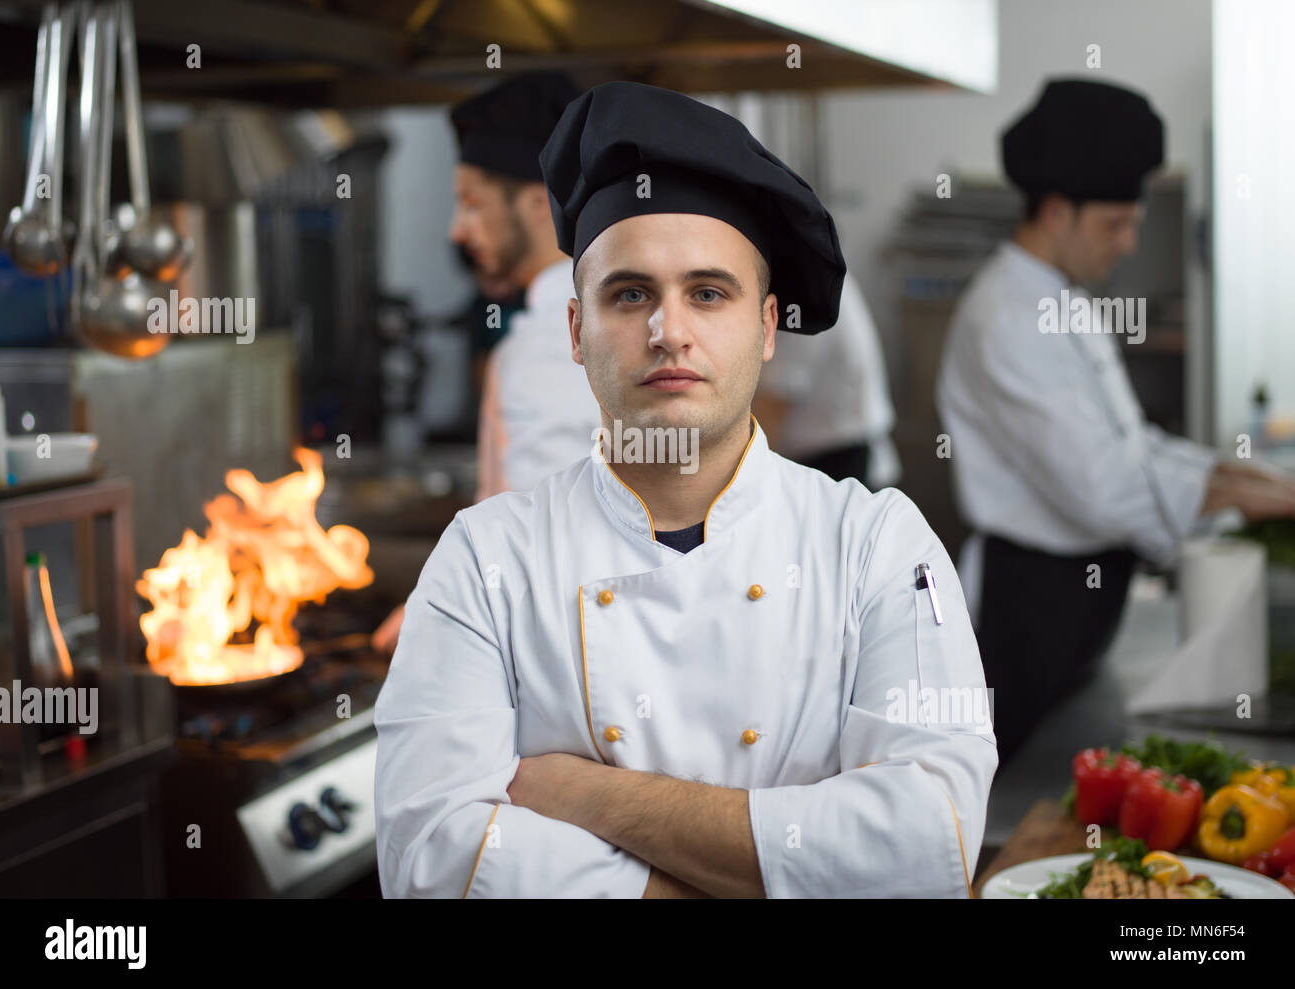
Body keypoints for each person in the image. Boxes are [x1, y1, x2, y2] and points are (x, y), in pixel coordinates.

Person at [374, 81, 997, 898]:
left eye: (708, 292)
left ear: (768, 327)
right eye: (630, 294)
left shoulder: (878, 544)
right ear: (576, 331)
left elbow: (933, 840)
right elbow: (428, 859)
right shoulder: (484, 558)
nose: (669, 329)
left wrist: (590, 795)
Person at [937, 78, 1295, 765]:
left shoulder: (1064, 300)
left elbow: (1131, 444)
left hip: (1080, 601)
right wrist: (1238, 494)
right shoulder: (1008, 318)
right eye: (1115, 224)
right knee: (1023, 781)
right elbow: (1102, 485)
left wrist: (1234, 475)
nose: (1130, 242)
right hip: (1030, 606)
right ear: (1054, 210)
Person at [372, 71, 598, 655]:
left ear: (535, 203)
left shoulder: (546, 347)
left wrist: (442, 621)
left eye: (472, 203)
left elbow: (538, 557)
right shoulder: (596, 321)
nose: (457, 230)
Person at [753, 270, 901, 488]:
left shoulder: (806, 284)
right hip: (826, 453)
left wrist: (744, 481)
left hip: (836, 459)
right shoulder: (819, 276)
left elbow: (774, 402)